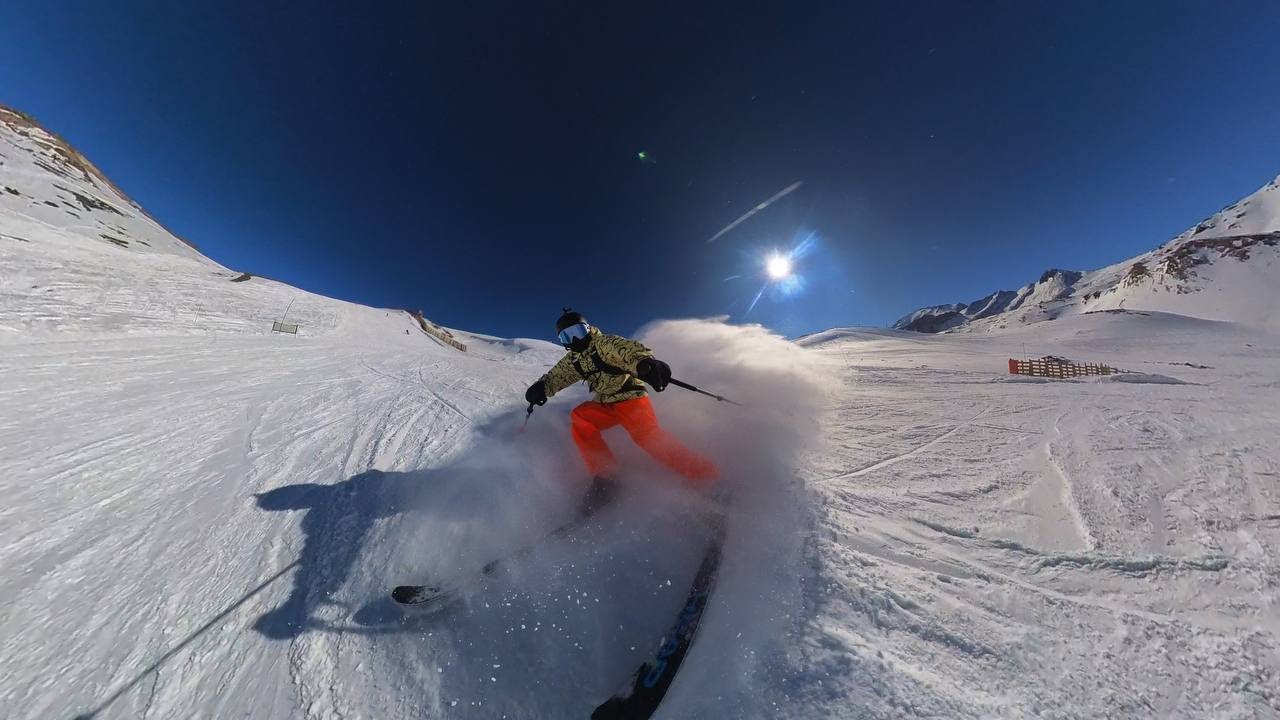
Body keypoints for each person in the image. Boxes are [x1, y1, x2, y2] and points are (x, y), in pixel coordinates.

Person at [526, 309, 719, 515]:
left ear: (588, 329)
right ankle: (607, 476)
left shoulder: (604, 344)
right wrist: (542, 387)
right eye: (567, 336)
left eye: (579, 332)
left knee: (647, 437)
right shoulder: (574, 360)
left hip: (631, 398)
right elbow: (559, 375)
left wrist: (645, 364)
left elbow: (626, 350)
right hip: (606, 404)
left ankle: (705, 475)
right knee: (580, 418)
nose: (575, 340)